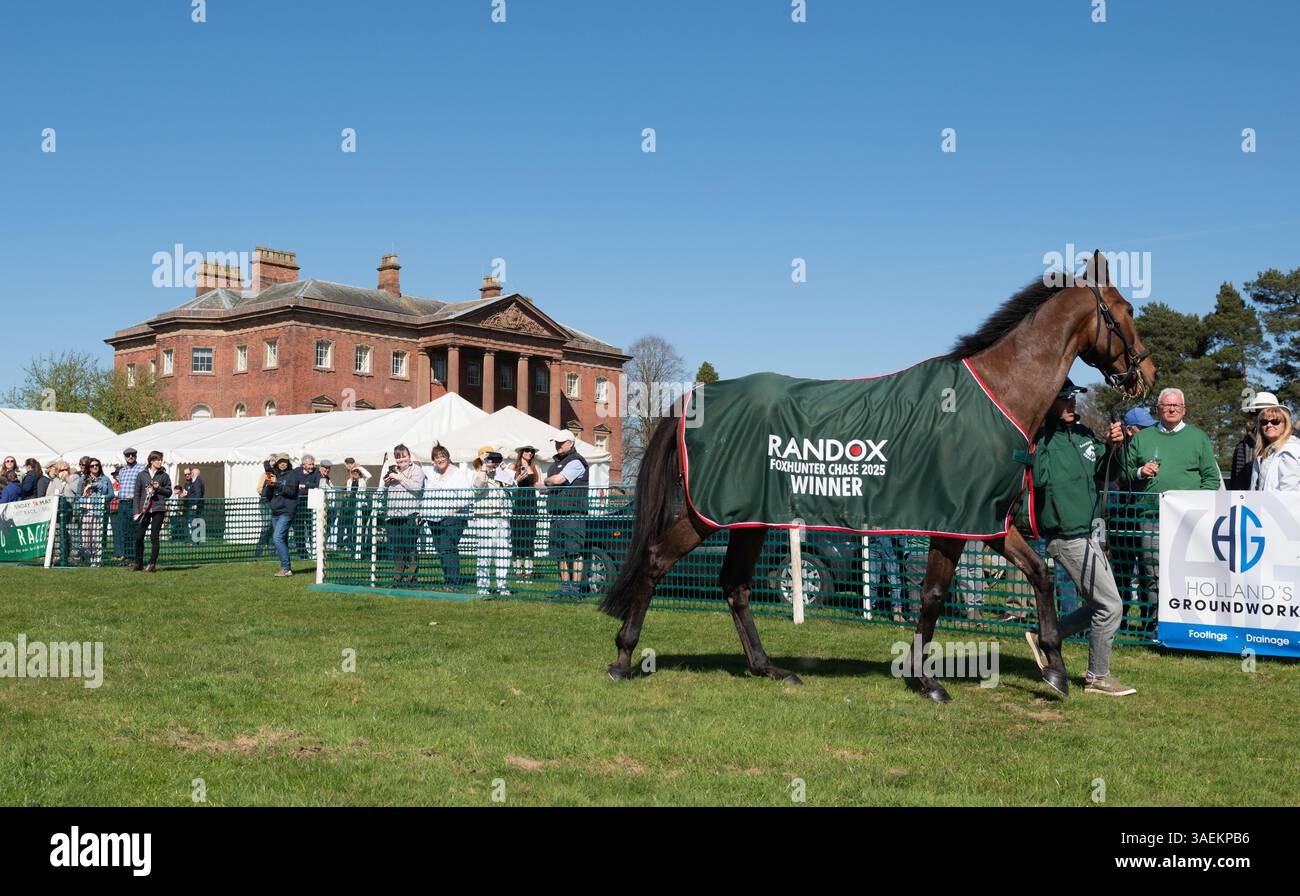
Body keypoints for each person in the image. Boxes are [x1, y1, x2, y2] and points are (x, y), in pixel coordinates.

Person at [1023, 379, 1135, 696]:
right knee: (1110, 607)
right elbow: (1040, 478)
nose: (1072, 404)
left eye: (1074, 398)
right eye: (1064, 399)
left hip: (1088, 535)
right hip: (1065, 537)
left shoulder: (1085, 435)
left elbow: (1113, 473)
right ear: (1048, 403)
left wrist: (1117, 446)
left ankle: (1045, 635)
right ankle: (1098, 678)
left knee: (1100, 606)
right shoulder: (1041, 438)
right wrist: (1039, 438)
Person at [1124, 387, 1222, 636]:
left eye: (1176, 406)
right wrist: (1139, 472)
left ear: (1183, 409)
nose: (1171, 409)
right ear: (1157, 409)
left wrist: (1194, 504)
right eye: (1166, 406)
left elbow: (1211, 479)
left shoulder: (1198, 438)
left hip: (1188, 520)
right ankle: (1157, 626)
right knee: (1153, 573)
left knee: (1188, 571)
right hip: (1150, 518)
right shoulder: (1141, 439)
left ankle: (1189, 626)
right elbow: (1122, 473)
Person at [544, 435, 590, 598]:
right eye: (555, 442)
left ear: (570, 443)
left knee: (574, 552)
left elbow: (558, 480)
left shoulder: (577, 461)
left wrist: (545, 480)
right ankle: (565, 590)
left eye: (561, 442)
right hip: (556, 514)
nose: (557, 445)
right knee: (560, 554)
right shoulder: (554, 465)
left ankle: (576, 590)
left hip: (573, 514)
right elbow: (551, 485)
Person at [421, 444, 470, 588]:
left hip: (453, 517)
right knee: (441, 550)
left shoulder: (457, 473)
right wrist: (423, 512)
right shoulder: (433, 472)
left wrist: (454, 509)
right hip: (434, 517)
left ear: (448, 457)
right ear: (433, 460)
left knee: (448, 548)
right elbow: (428, 493)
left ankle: (454, 582)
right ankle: (448, 580)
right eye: (436, 457)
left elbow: (467, 496)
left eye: (442, 456)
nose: (440, 459)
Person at [470, 448, 511, 595]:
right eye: (487, 458)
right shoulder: (477, 474)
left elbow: (513, 488)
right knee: (485, 553)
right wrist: (483, 468)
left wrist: (505, 471)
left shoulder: (500, 474)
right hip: (485, 517)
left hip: (503, 516)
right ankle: (482, 586)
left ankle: (502, 586)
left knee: (503, 553)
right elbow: (478, 488)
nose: (490, 461)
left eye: (492, 458)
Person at [384, 444, 426, 583]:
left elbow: (416, 487)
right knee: (396, 546)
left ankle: (411, 577)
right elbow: (382, 491)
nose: (401, 460)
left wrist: (400, 477)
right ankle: (397, 576)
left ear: (409, 456)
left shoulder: (417, 471)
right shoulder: (392, 471)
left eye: (404, 456)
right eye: (398, 457)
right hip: (393, 515)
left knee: (409, 546)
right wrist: (386, 482)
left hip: (410, 514)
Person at [504, 445, 542, 580]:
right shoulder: (512, 467)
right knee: (517, 537)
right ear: (521, 452)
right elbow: (506, 486)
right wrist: (517, 479)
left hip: (531, 506)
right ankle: (517, 570)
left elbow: (539, 485)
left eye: (532, 451)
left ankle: (529, 570)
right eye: (527, 450)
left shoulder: (536, 468)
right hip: (517, 505)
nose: (530, 453)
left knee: (529, 538)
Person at [130, 451, 172, 573]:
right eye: (158, 460)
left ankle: (152, 564)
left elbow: (169, 493)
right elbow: (137, 494)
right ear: (151, 461)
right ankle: (138, 563)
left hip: (158, 509)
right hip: (144, 510)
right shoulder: (141, 475)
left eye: (161, 460)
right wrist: (136, 511)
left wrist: (159, 488)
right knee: (139, 537)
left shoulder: (164, 475)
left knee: (154, 537)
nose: (160, 462)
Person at [1227, 394, 1273, 491]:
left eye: (1266, 412)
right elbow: (1237, 486)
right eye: (1255, 413)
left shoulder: (1294, 443)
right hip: (1251, 504)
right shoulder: (1243, 446)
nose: (1260, 417)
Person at [267, 453, 303, 576]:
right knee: (283, 539)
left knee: (277, 538)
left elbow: (292, 491)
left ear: (288, 463)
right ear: (277, 463)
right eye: (280, 461)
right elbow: (268, 493)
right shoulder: (274, 474)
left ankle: (285, 568)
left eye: (285, 461)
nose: (283, 463)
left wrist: (277, 484)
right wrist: (268, 485)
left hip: (287, 511)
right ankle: (287, 568)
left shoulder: (293, 474)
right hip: (275, 511)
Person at [1251, 402, 1299, 491]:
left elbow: (1289, 492)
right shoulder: (1264, 452)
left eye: (1275, 421)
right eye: (1264, 422)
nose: (1269, 425)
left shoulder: (1290, 450)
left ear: (1286, 424)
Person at [79, 457, 114, 566]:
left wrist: (101, 497)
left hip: (99, 511)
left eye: (97, 465)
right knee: (85, 537)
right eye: (92, 465)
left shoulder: (105, 479)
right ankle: (87, 559)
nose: (95, 467)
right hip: (85, 511)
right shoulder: (83, 479)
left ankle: (96, 561)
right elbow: (77, 496)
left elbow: (111, 495)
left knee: (96, 537)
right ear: (88, 467)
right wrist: (84, 498)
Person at [113, 448, 143, 563]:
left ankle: (135, 557)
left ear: (136, 455)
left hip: (134, 504)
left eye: (133, 455)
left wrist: (136, 497)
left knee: (134, 531)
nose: (130, 457)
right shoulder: (122, 470)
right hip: (122, 503)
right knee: (124, 531)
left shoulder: (141, 468)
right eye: (127, 455)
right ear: (124, 457)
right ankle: (127, 556)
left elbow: (145, 486)